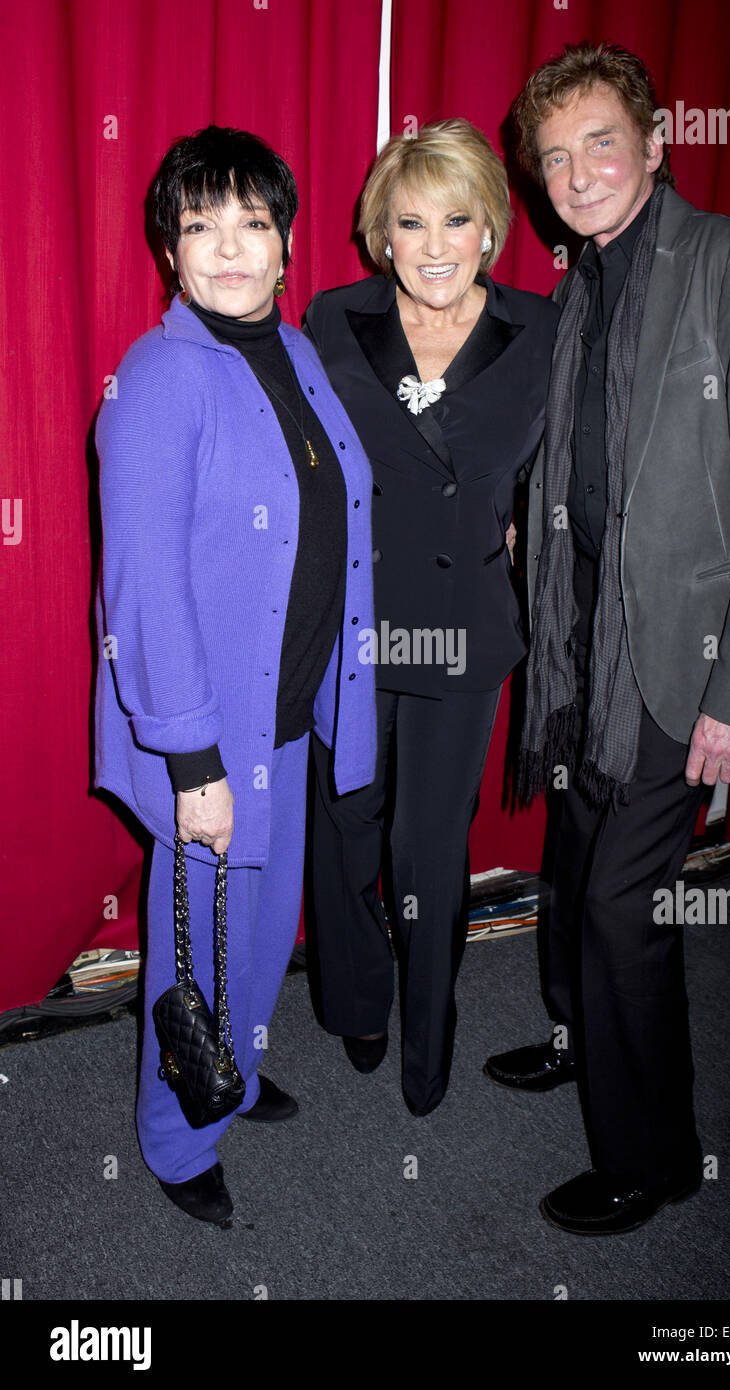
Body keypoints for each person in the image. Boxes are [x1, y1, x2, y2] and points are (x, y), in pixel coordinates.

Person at [484, 42, 730, 1234]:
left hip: (682, 665)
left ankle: (656, 1153)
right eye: (554, 155)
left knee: (628, 911)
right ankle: (584, 1042)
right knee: (574, 879)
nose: (574, 174)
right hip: (584, 650)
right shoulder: (580, 283)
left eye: (599, 144)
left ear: (656, 143)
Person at [94, 125, 376, 1223]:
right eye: (198, 224)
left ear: (285, 242)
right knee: (194, 946)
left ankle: (234, 1072)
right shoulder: (162, 375)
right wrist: (192, 759)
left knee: (258, 929)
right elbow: (145, 588)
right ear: (169, 247)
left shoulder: (293, 350)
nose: (226, 248)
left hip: (285, 712)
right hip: (205, 735)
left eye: (250, 223)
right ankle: (175, 1140)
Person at [304, 119, 559, 1117]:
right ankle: (359, 996)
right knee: (347, 824)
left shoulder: (541, 329)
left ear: (490, 227)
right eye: (411, 222)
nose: (437, 243)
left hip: (462, 630)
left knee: (426, 844)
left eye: (458, 218)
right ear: (381, 235)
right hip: (356, 627)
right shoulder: (332, 318)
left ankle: (428, 1029)